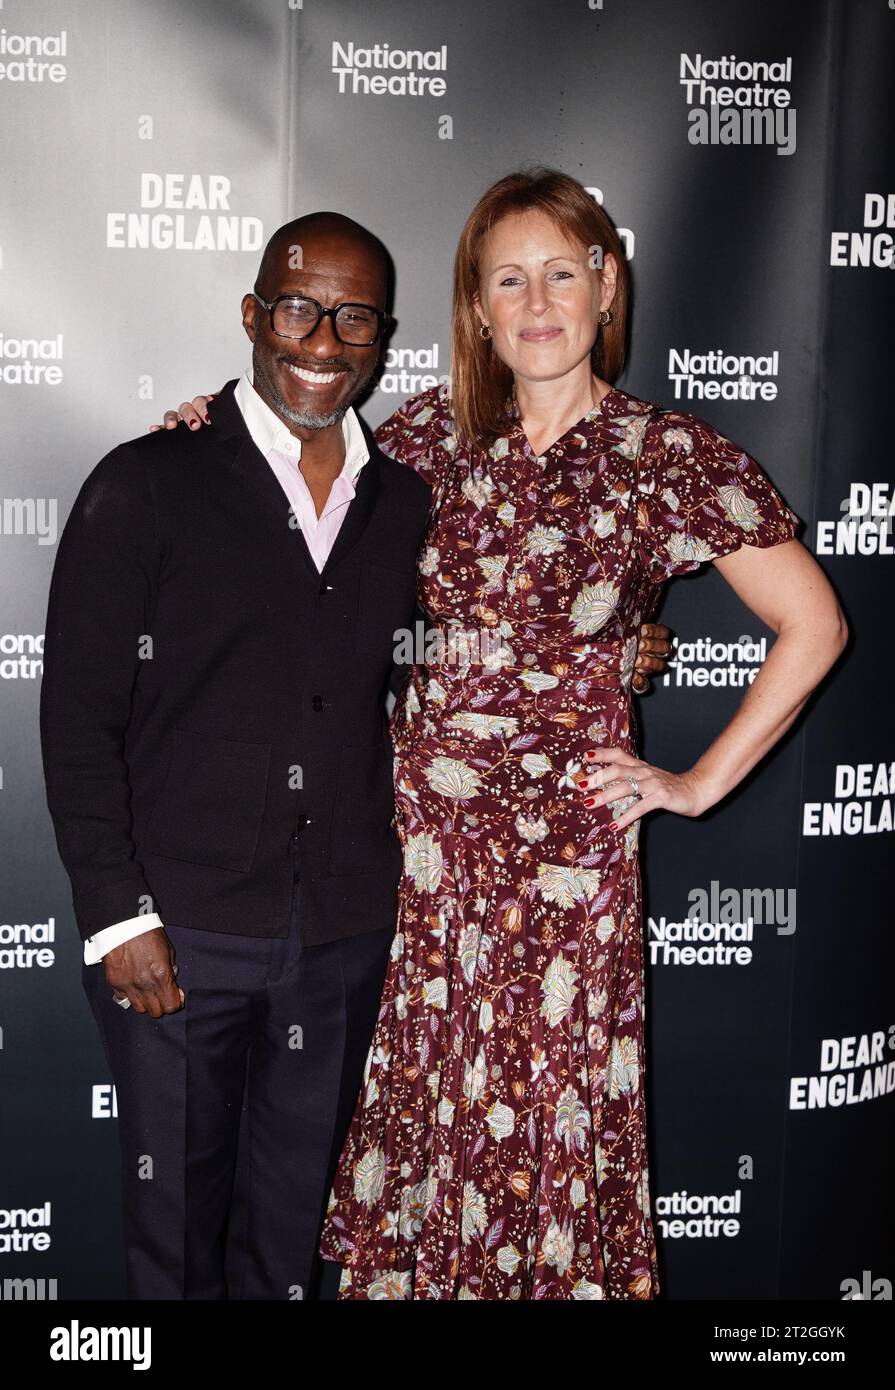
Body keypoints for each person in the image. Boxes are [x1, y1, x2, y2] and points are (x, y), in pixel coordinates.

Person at [167, 170, 846, 1301]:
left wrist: (695, 785)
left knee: (545, 1156)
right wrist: (204, 427)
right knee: (428, 1145)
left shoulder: (664, 455)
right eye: (508, 279)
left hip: (566, 885)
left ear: (606, 287)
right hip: (424, 875)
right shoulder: (422, 441)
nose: (538, 303)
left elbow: (813, 622)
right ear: (476, 308)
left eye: (563, 274)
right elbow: (290, 491)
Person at [41, 208, 669, 1301]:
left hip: (340, 938)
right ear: (251, 315)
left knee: (292, 1234)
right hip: (178, 931)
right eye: (296, 308)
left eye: (352, 319)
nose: (321, 342)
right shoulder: (149, 481)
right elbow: (78, 715)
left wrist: (626, 643)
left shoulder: (407, 495)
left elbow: (491, 629)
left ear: (384, 338)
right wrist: (116, 913)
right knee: (175, 1230)